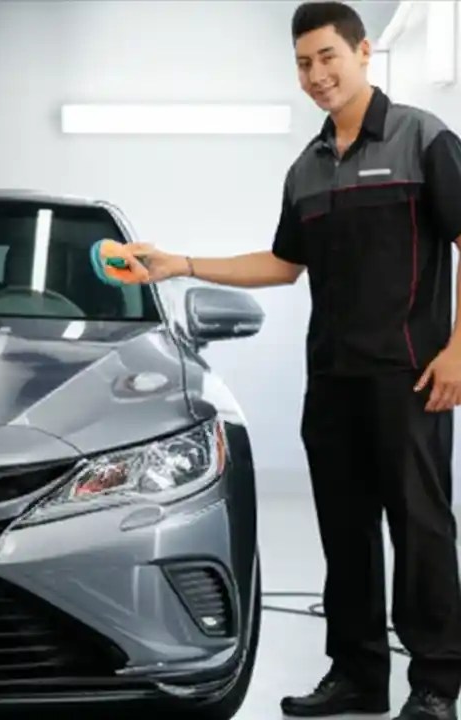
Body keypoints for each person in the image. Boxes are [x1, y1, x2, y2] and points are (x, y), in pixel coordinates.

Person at [116, 3, 461, 718]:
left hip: (409, 376)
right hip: (332, 381)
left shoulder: (423, 138)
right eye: (304, 63)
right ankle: (357, 675)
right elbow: (282, 264)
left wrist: (459, 350)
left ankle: (435, 684)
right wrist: (179, 262)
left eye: (328, 56)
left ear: (363, 52)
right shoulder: (306, 168)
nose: (316, 74)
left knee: (422, 532)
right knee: (345, 533)